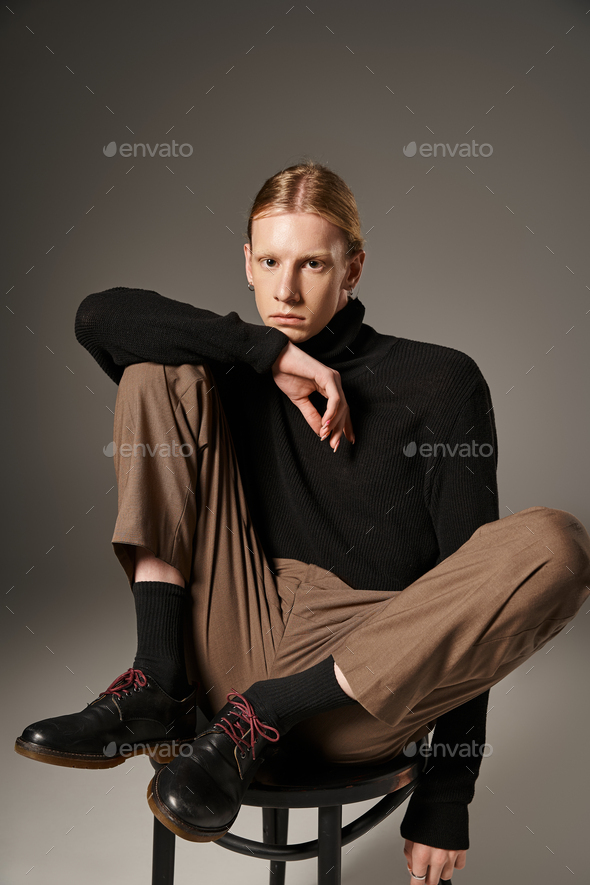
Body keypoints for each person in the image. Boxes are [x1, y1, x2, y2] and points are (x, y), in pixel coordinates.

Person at [14, 160, 590, 885]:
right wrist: (270, 354)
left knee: (557, 544)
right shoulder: (239, 369)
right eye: (271, 261)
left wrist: (446, 795)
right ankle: (157, 680)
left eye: (313, 263)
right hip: (239, 626)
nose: (286, 290)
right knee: (154, 369)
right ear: (247, 265)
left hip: (357, 685)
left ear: (352, 268)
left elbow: (468, 614)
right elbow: (99, 317)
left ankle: (268, 710)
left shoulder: (439, 384)